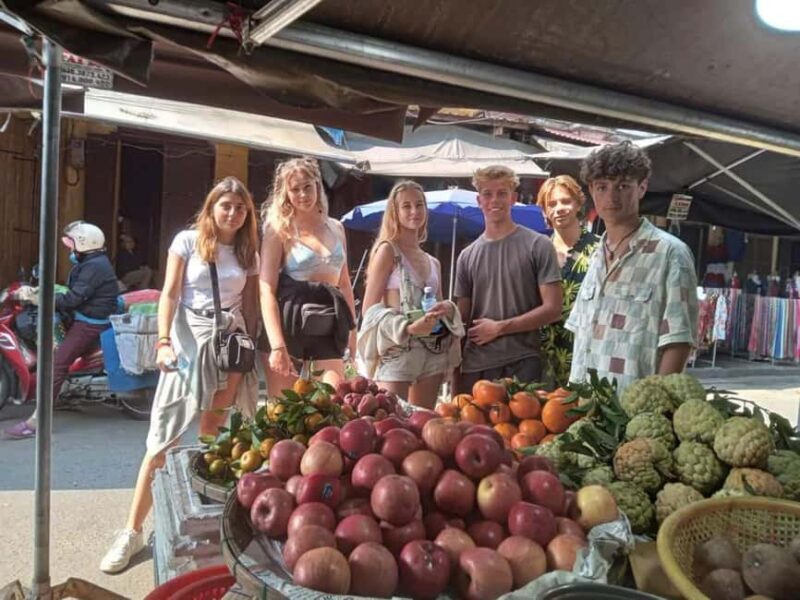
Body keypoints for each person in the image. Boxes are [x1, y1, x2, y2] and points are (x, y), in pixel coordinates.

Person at [100, 176, 260, 573]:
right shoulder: (187, 241)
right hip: (189, 344)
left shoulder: (247, 250)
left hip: (229, 347)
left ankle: (204, 526)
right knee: (162, 439)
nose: (233, 213)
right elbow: (169, 293)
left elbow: (251, 304)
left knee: (213, 436)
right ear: (211, 207)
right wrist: (163, 340)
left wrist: (250, 348)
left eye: (240, 208)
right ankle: (132, 531)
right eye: (226, 206)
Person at [566, 141, 698, 391]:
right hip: (583, 408)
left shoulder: (671, 254)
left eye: (623, 186)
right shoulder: (596, 254)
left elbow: (679, 342)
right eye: (602, 187)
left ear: (642, 188)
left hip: (631, 414)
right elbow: (581, 336)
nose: (611, 197)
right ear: (592, 190)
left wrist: (654, 407)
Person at [4, 221, 120, 440]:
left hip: (91, 323)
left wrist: (39, 298)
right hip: (84, 315)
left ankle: (37, 422)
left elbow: (72, 299)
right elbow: (74, 292)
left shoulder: (94, 266)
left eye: (72, 245)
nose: (70, 250)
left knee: (57, 365)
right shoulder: (91, 262)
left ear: (84, 244)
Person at [454, 166, 562, 393]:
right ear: (478, 200)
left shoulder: (538, 245)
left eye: (502, 193)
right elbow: (460, 323)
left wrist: (500, 328)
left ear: (514, 198)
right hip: (476, 367)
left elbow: (553, 309)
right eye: (488, 194)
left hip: (523, 363)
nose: (495, 200)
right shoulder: (466, 256)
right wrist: (456, 380)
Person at [357, 180, 464, 409]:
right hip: (399, 350)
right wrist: (407, 327)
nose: (414, 211)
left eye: (419, 205)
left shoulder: (433, 262)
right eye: (406, 206)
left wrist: (446, 308)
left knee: (423, 426)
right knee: (390, 424)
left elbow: (437, 306)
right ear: (394, 212)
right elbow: (369, 310)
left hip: (432, 351)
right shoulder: (388, 251)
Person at [260, 157, 356, 392]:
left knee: (332, 401)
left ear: (317, 185)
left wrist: (352, 332)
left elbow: (344, 284)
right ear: (285, 194)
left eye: (307, 187)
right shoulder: (277, 229)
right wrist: (277, 345)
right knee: (283, 416)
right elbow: (266, 289)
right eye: (295, 189)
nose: (303, 194)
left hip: (328, 323)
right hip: (290, 321)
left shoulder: (336, 227)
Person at [537, 175, 600, 388]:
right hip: (544, 351)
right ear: (544, 211)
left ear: (578, 204)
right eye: (551, 204)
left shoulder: (600, 250)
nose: (559, 208)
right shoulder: (537, 250)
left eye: (565, 201)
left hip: (585, 348)